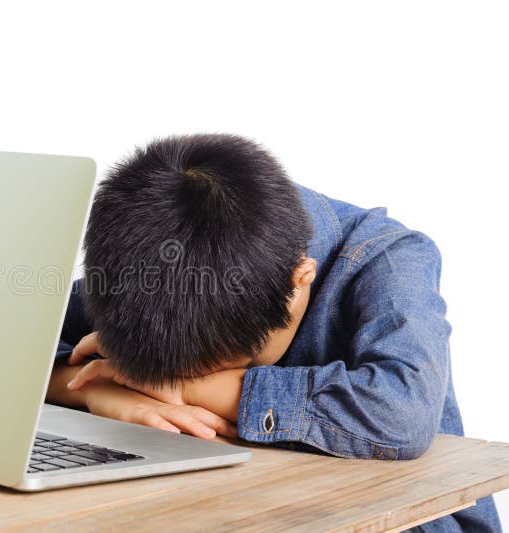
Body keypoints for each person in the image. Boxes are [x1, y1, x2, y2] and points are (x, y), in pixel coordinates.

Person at [45, 133, 500, 531]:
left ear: (299, 281)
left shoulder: (389, 258)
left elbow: (403, 413)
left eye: (223, 370)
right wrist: (88, 390)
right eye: (170, 374)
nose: (173, 384)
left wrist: (185, 390)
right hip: (227, 504)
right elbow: (11, 343)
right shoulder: (151, 269)